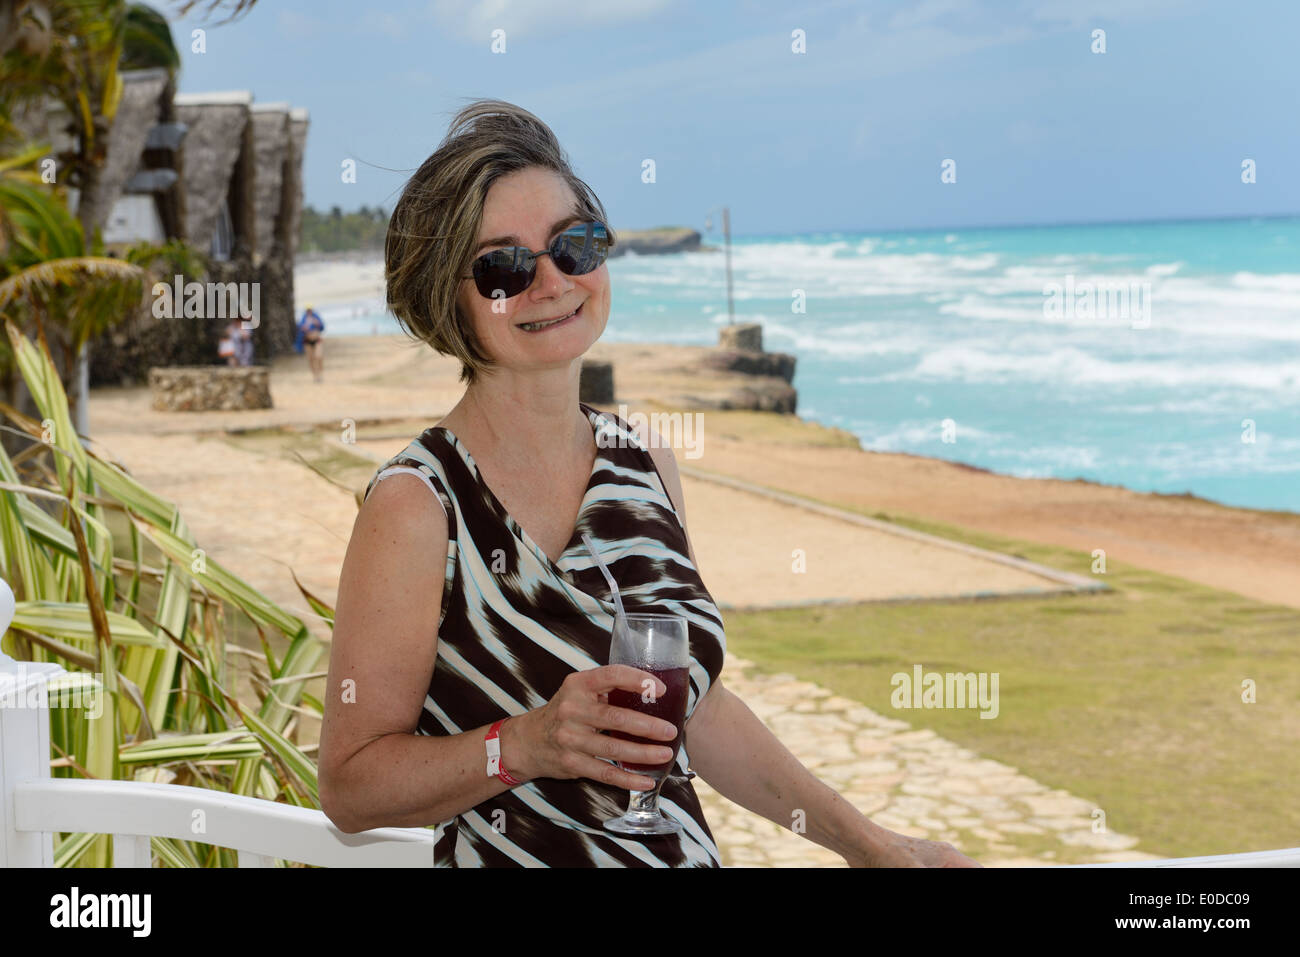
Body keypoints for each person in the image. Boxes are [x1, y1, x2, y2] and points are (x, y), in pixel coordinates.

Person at [319, 99, 981, 868]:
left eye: (574, 244)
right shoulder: (418, 503)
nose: (550, 280)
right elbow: (350, 784)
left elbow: (697, 714)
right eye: (504, 265)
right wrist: (524, 744)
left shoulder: (645, 462)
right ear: (451, 301)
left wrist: (868, 844)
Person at [295, 303, 324, 382]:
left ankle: (320, 374)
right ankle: (315, 376)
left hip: (317, 340)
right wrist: (304, 328)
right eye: (307, 310)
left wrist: (317, 323)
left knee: (319, 357)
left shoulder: (316, 318)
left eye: (310, 310)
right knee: (311, 359)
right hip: (307, 341)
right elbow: (300, 329)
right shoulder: (303, 319)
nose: (309, 312)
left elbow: (322, 327)